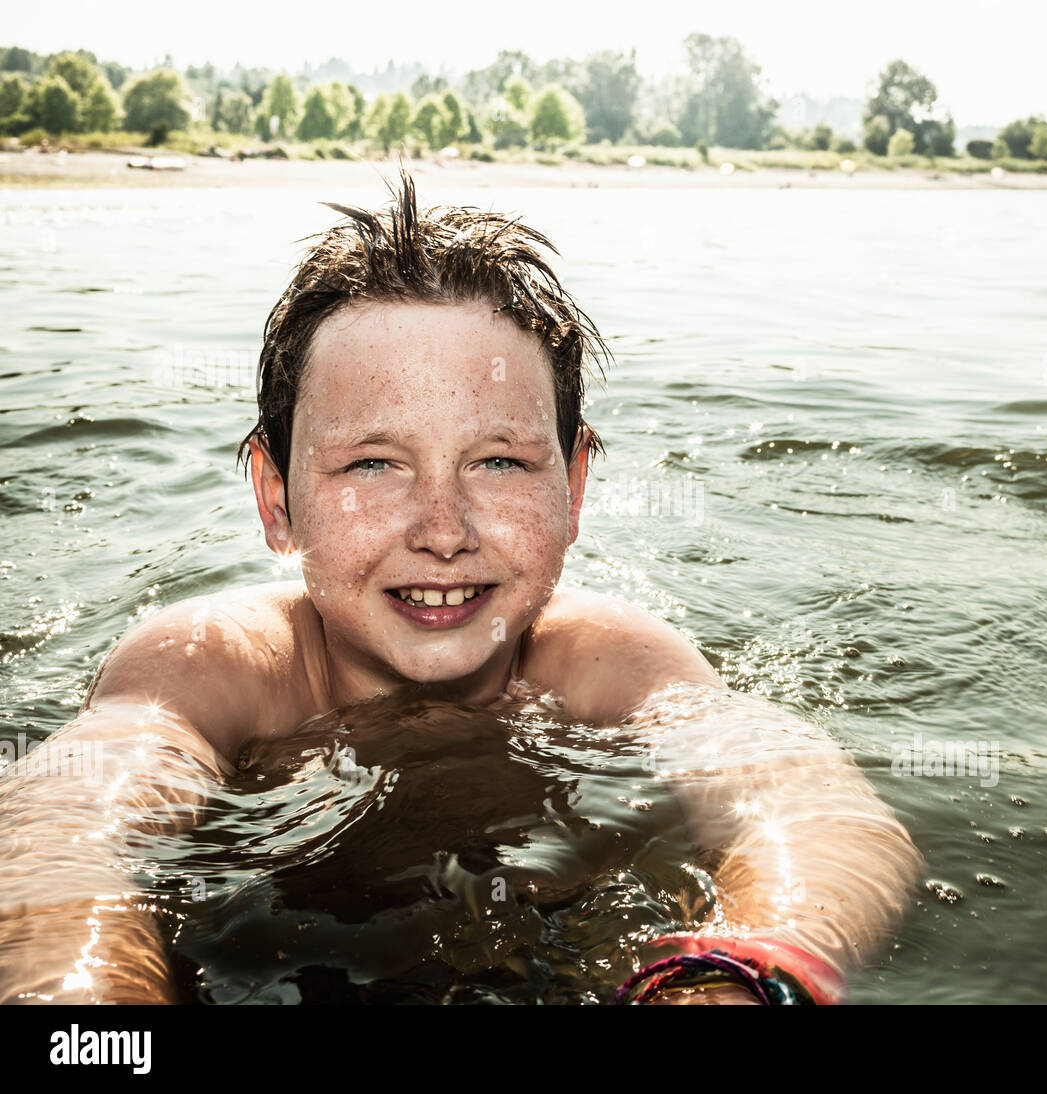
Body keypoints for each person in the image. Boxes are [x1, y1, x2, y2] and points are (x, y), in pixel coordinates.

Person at [0, 171, 922, 1005]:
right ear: (275, 499)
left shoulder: (607, 661)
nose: (443, 530)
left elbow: (819, 814)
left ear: (572, 489)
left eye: (497, 461)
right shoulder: (212, 670)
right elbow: (63, 833)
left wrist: (728, 978)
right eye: (372, 464)